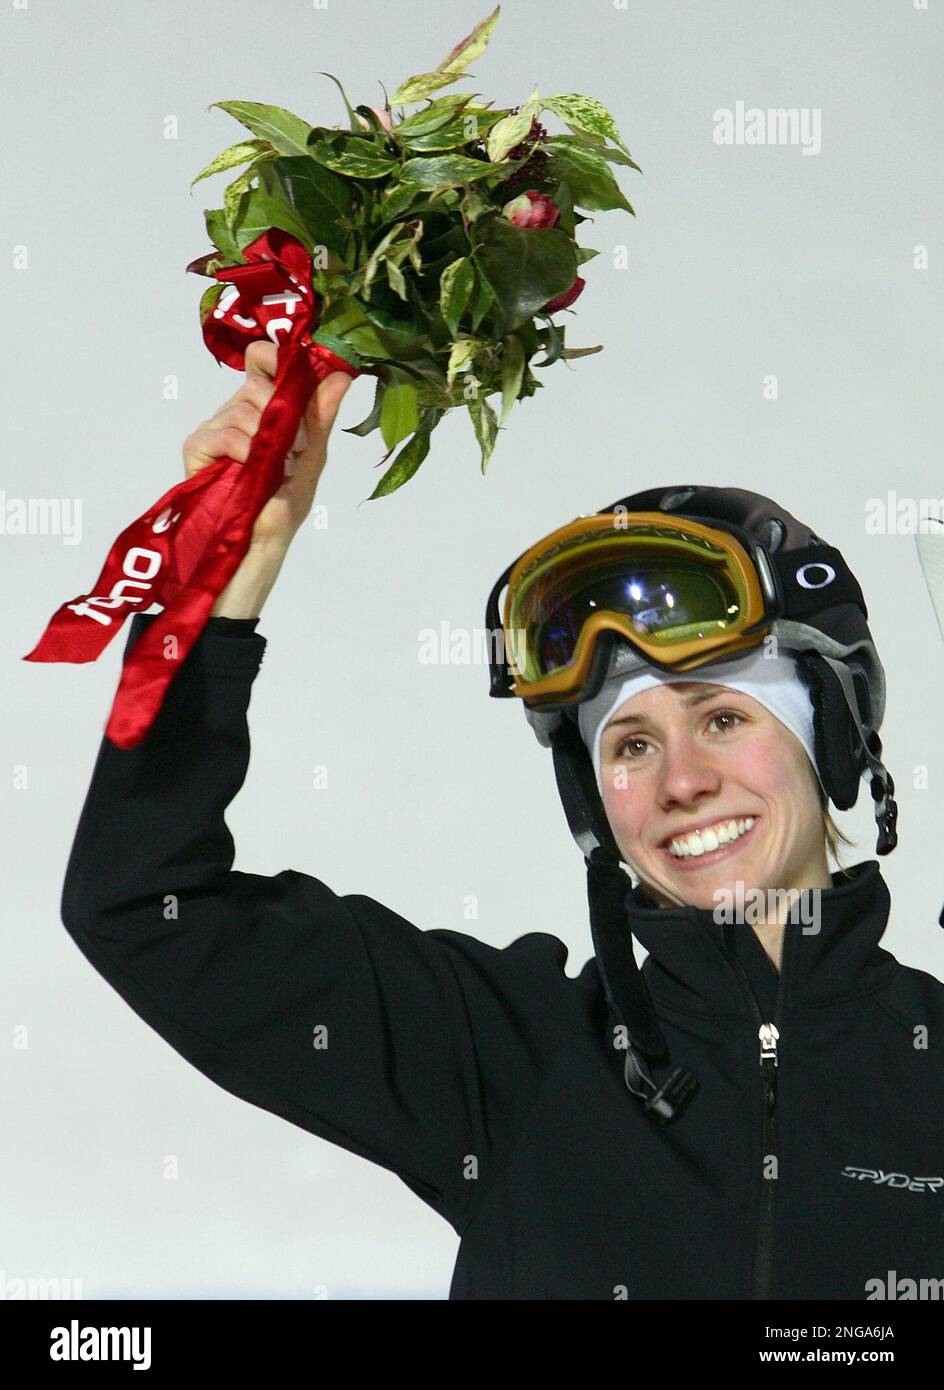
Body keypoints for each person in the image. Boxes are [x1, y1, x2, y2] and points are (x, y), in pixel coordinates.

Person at [60, 343, 944, 1301]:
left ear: (839, 739)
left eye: (722, 718)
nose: (681, 782)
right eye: (631, 746)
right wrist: (226, 578)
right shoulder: (514, 1058)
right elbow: (145, 905)